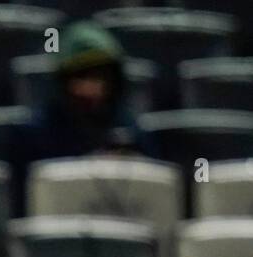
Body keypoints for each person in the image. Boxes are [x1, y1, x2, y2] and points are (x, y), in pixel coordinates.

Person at [8, 20, 160, 212]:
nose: (90, 87)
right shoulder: (30, 136)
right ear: (63, 81)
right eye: (81, 77)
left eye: (100, 77)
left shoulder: (131, 132)